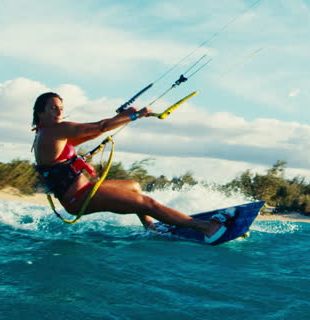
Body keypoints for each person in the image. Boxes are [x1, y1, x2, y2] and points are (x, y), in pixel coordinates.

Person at [31, 92, 225, 242]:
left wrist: (123, 116)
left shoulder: (47, 133)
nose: (59, 112)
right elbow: (101, 126)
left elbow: (92, 133)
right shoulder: (55, 130)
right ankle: (206, 228)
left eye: (61, 108)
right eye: (53, 108)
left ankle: (151, 229)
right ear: (41, 112)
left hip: (82, 192)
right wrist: (136, 116)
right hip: (79, 196)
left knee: (133, 186)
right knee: (146, 203)